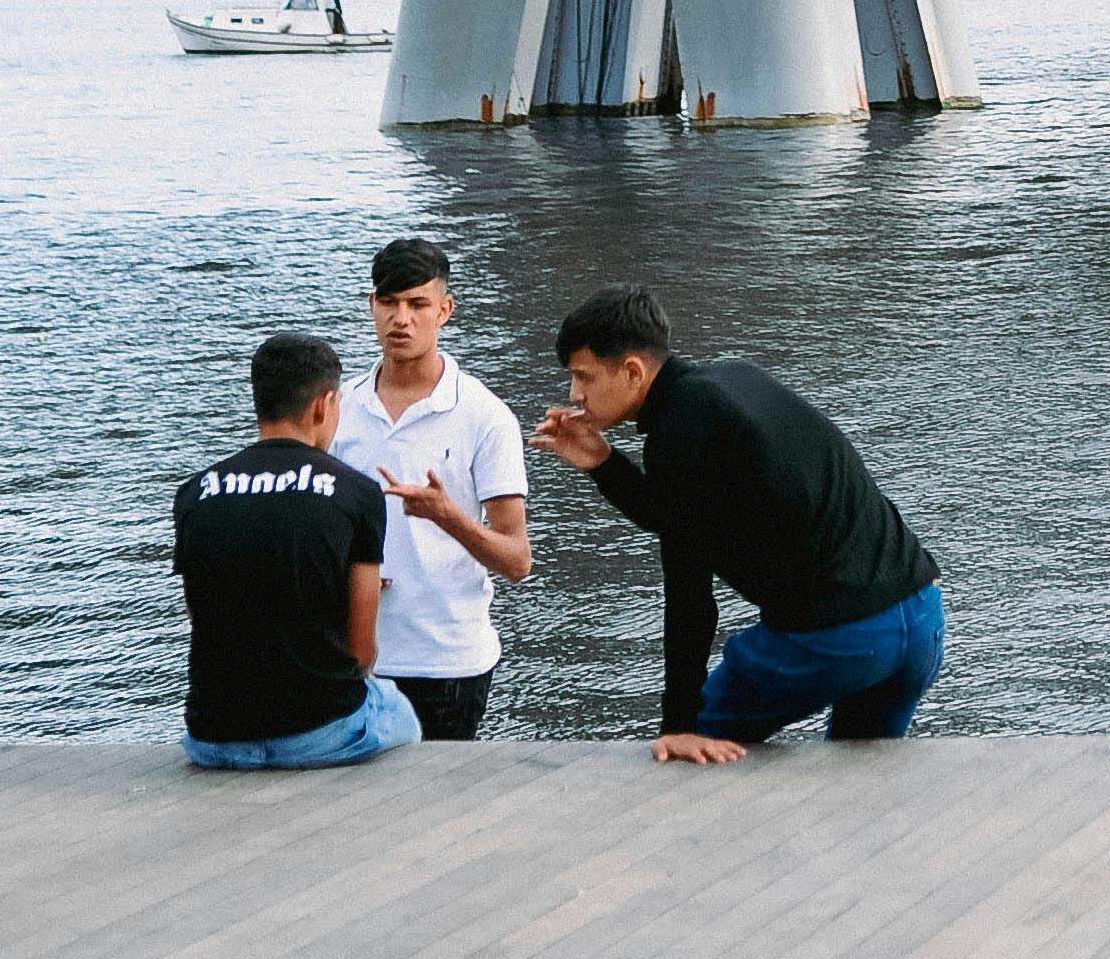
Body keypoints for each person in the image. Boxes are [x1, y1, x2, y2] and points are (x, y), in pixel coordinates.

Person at [533, 281, 945, 763]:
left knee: (696, 748)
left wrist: (680, 726)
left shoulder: (679, 436)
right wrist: (604, 463)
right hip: (920, 617)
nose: (574, 394)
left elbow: (689, 594)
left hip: (841, 638)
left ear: (631, 371)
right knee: (860, 783)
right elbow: (682, 514)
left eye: (583, 378)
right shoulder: (736, 378)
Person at [173, 333, 421, 770]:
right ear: (323, 406)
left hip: (213, 737)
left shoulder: (195, 493)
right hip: (320, 734)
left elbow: (203, 617)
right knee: (398, 711)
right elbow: (362, 653)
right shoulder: (356, 492)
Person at [330, 234, 531, 740]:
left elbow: (516, 560)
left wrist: (448, 517)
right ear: (371, 305)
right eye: (390, 303)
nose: (402, 319)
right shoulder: (337, 408)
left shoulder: (485, 416)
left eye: (418, 304)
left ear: (444, 310)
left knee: (440, 813)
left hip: (448, 661)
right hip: (352, 652)